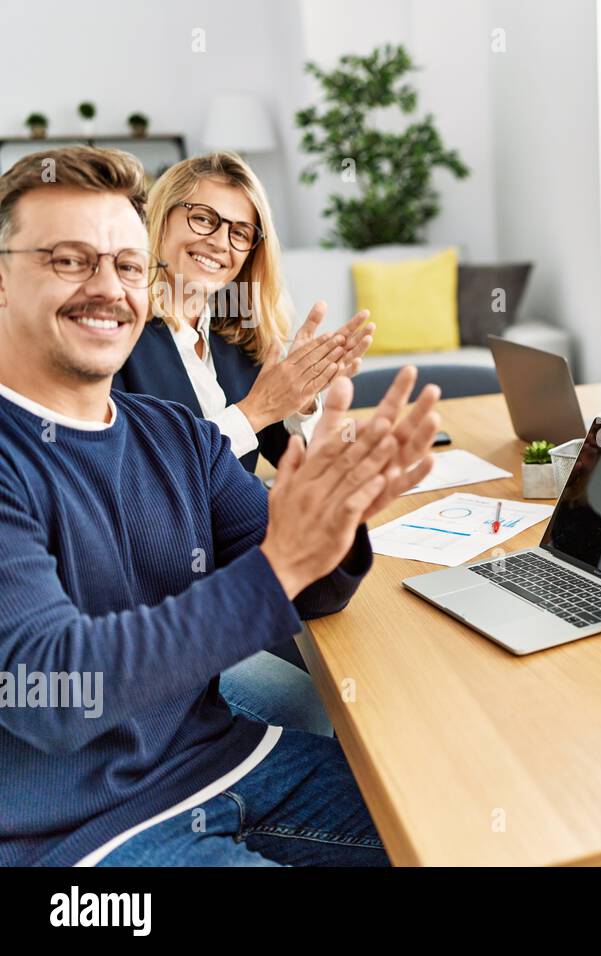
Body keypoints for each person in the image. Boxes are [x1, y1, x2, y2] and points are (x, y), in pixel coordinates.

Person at [0, 146, 440, 865]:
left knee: (459, 826)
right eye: (68, 260)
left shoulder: (173, 435)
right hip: (78, 839)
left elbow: (314, 591)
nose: (107, 287)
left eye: (127, 264)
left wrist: (335, 513)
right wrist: (279, 565)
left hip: (223, 761)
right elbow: (54, 692)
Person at [114, 153, 374, 727]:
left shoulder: (232, 339)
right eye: (203, 218)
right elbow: (137, 486)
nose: (221, 242)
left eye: (240, 232)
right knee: (326, 716)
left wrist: (305, 400)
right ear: (160, 218)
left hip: (237, 570)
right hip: (158, 616)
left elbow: (284, 450)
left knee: (370, 682)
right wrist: (256, 409)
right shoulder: (118, 338)